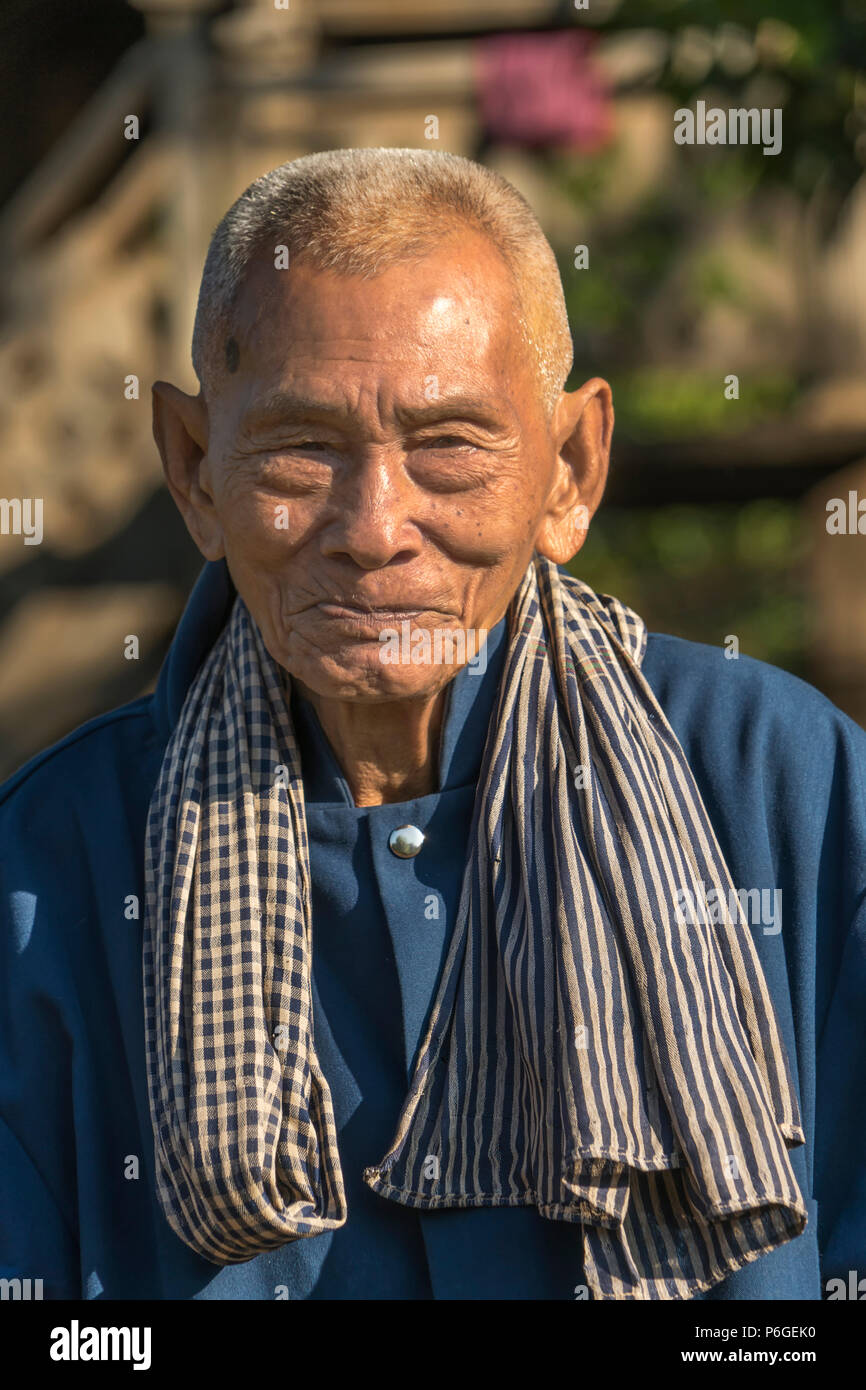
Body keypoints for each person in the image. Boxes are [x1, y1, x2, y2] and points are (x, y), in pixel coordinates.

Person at [1, 148, 864, 1302]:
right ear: (197, 469)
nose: (373, 527)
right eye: (301, 449)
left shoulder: (785, 790)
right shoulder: (53, 863)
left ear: (568, 469)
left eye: (449, 446)